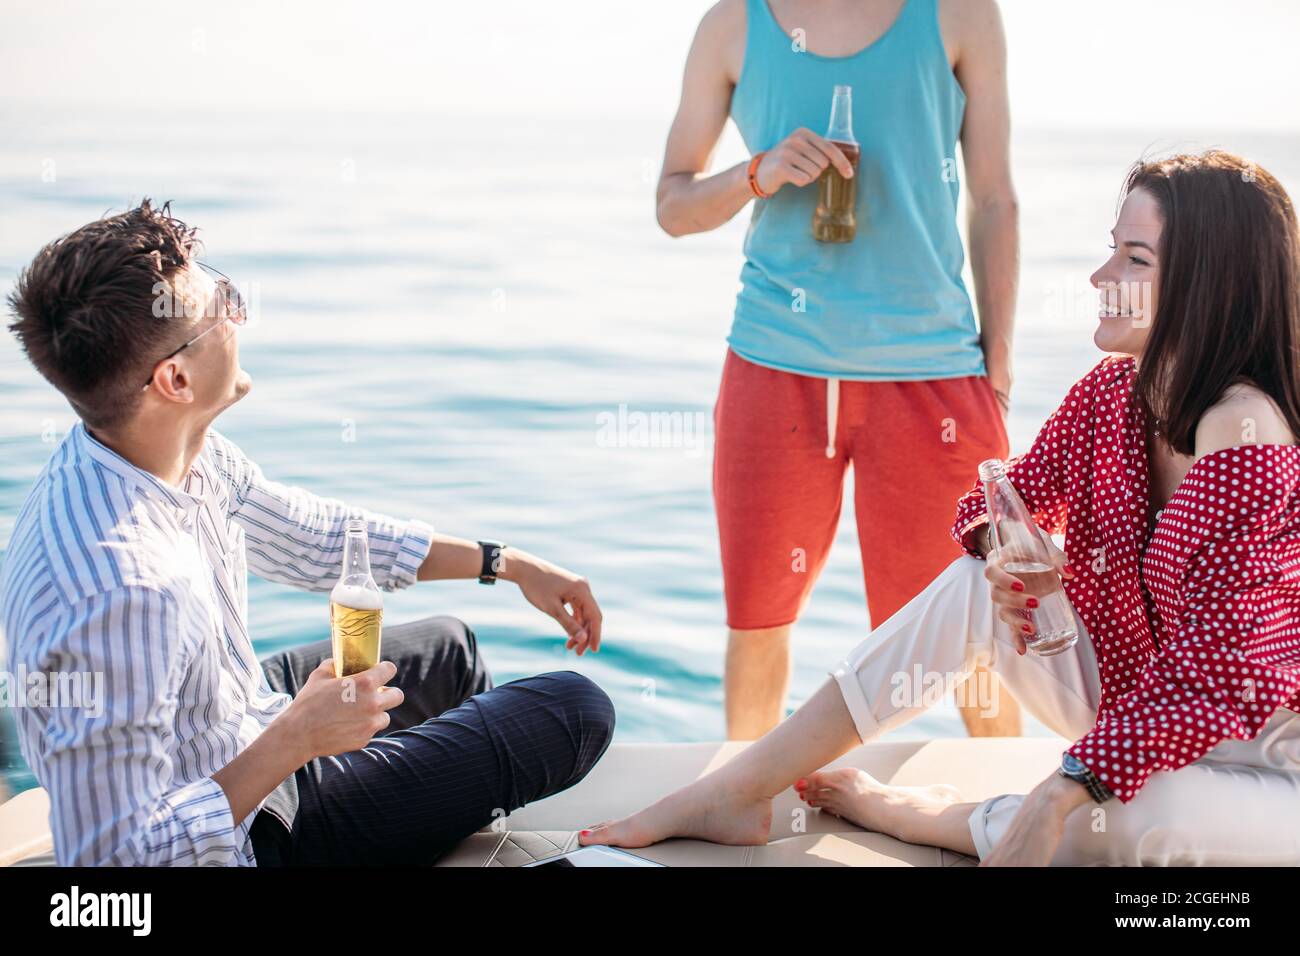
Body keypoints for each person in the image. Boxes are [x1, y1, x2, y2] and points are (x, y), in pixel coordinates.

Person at [578, 150, 1300, 865]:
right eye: (1111, 252)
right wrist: (1004, 550)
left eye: (1134, 261)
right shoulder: (1112, 395)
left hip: (1270, 764)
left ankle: (926, 818)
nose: (1099, 277)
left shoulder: (1247, 431)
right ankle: (739, 788)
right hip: (1142, 707)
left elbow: (1220, 672)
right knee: (973, 591)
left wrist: (1064, 787)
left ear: (1212, 284)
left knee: (1141, 820)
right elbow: (989, 502)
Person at [0, 200, 616, 866]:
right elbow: (116, 863)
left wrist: (507, 563)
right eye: (225, 307)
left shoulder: (162, 453)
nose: (240, 317)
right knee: (576, 709)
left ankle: (426, 822)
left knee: (450, 651)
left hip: (225, 725)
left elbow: (319, 537)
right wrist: (295, 739)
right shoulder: (122, 588)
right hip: (250, 834)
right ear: (174, 379)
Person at [658, 0, 1021, 738]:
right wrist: (755, 173)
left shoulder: (960, 14)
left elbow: (994, 198)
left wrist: (999, 368)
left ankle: (1011, 820)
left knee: (974, 635)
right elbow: (673, 202)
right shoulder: (731, 26)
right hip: (773, 363)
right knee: (759, 620)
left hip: (933, 371)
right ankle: (743, 802)